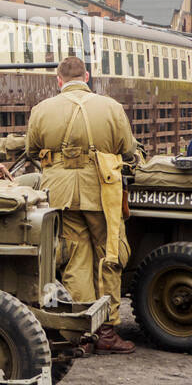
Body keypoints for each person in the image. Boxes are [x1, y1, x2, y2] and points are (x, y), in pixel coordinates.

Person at [26, 55, 138, 354]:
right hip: (101, 191)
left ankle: (80, 334)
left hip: (60, 193)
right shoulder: (111, 107)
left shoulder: (41, 109)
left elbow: (32, 149)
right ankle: (107, 331)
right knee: (109, 255)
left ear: (58, 80)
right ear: (87, 77)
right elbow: (127, 149)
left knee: (75, 257)